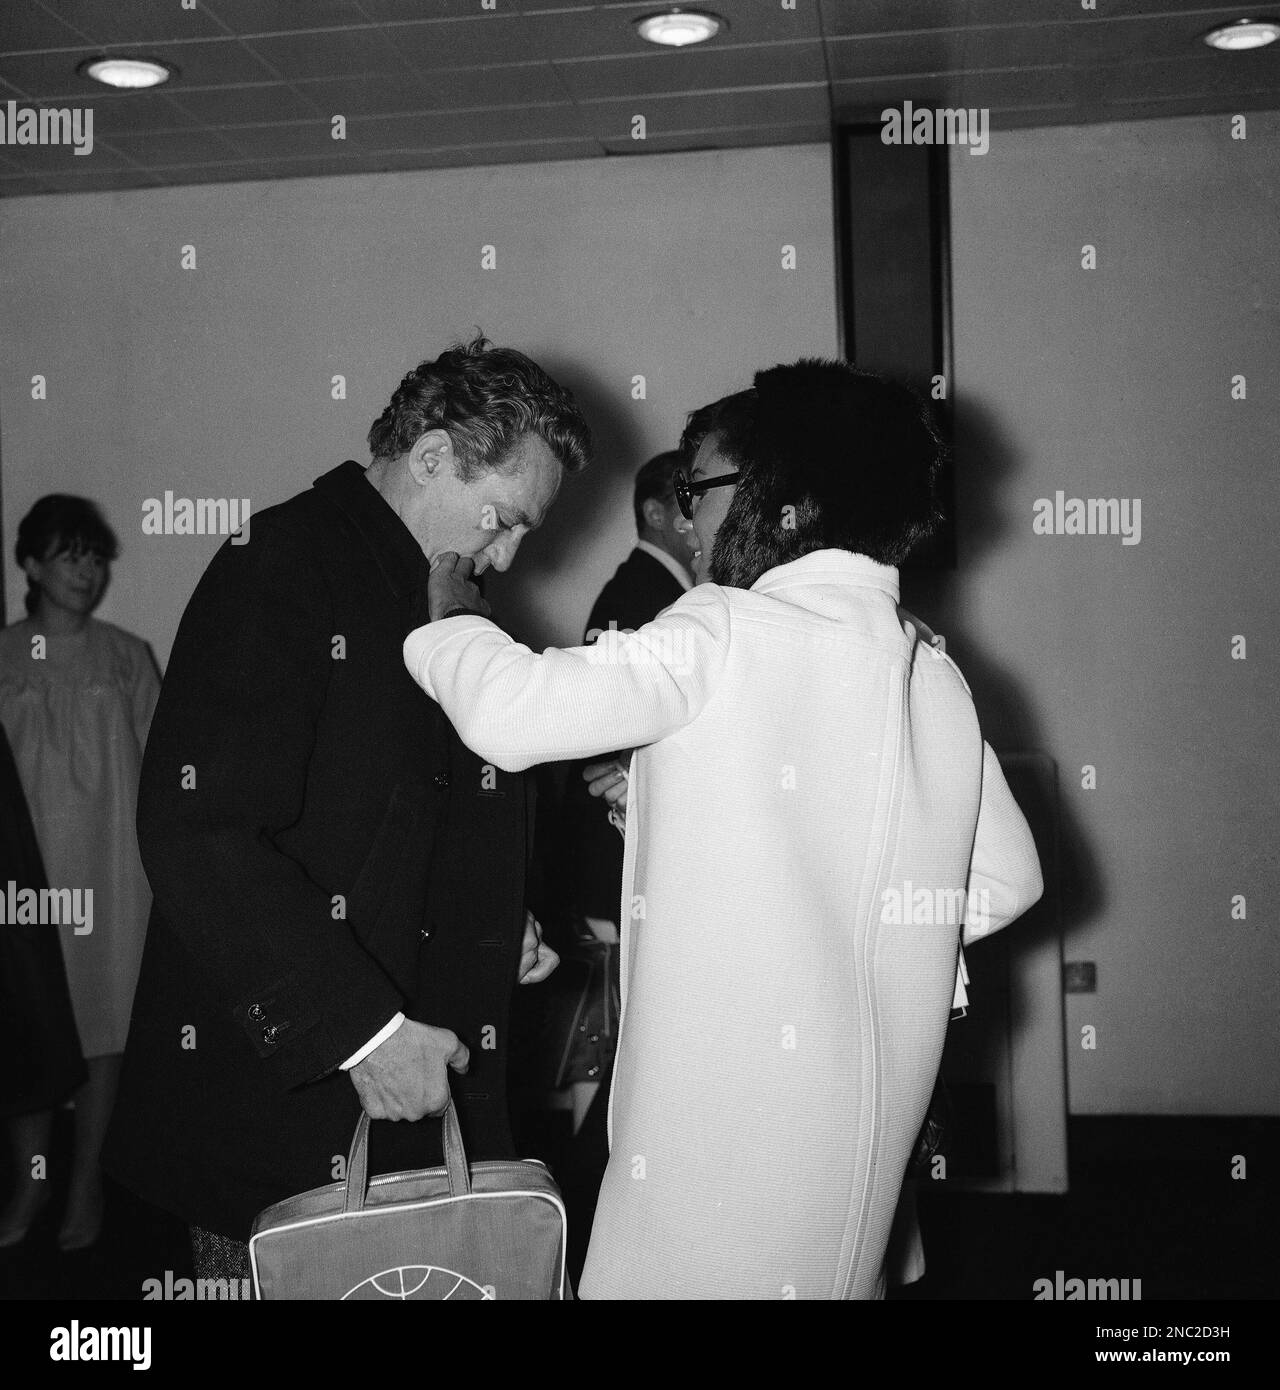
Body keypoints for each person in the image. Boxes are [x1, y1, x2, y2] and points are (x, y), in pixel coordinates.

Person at [405, 358, 1044, 1299]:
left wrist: (453, 621)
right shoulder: (929, 666)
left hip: (724, 1148)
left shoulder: (723, 627)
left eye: (701, 490)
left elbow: (510, 713)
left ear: (779, 503)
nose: (691, 519)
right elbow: (1006, 879)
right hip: (852, 1149)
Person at [103, 337, 589, 1285]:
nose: (513, 551)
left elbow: (396, 813)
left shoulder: (447, 595)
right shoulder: (280, 564)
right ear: (434, 456)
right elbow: (199, 828)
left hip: (412, 1110)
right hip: (289, 1112)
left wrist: (495, 918)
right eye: (505, 519)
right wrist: (358, 1034)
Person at [0, 497, 160, 1251]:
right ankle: (30, 1180)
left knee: (103, 1032)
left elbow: (165, 776)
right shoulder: (2, 657)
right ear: (30, 564)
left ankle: (86, 1184)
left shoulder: (126, 657)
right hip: (20, 877)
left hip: (110, 873)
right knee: (27, 1033)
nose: (85, 570)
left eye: (94, 556)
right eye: (68, 554)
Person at [550, 449, 694, 1278]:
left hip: (628, 868)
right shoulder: (644, 599)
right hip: (617, 875)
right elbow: (605, 744)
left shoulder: (662, 596)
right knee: (617, 1079)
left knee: (624, 1081)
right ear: (665, 511)